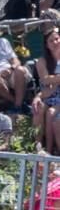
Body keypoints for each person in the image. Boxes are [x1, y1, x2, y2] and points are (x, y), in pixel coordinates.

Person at [33, 27, 60, 155]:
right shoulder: (42, 61)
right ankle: (38, 147)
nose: (55, 42)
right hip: (48, 94)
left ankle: (48, 152)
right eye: (51, 41)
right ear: (46, 45)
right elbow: (45, 81)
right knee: (39, 108)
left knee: (50, 113)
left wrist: (52, 80)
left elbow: (50, 81)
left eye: (57, 39)